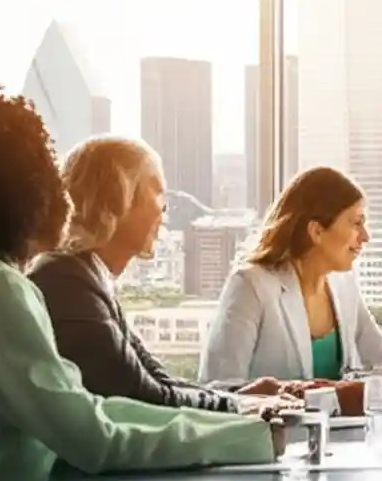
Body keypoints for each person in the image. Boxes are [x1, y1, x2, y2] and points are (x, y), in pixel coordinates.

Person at [0, 84, 279, 481]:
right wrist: (245, 436)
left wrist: (242, 426)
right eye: (46, 173)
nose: (64, 191)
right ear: (16, 192)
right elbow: (93, 439)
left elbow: (93, 409)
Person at [27, 136, 287, 413]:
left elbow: (158, 380)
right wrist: (242, 406)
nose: (164, 207)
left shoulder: (85, 277)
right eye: (158, 191)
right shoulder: (68, 286)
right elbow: (144, 398)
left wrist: (239, 397)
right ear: (118, 198)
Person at [200, 167, 382, 390]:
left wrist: (349, 392)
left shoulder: (344, 285)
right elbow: (216, 389)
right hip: (268, 425)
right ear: (316, 231)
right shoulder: (251, 285)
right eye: (356, 223)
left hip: (346, 426)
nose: (366, 236)